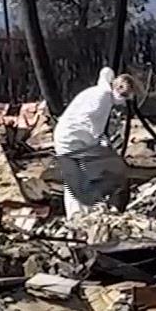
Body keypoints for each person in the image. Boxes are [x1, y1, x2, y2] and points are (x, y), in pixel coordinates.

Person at [53, 66, 139, 218]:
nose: (123, 101)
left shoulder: (99, 93)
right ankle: (78, 215)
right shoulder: (103, 96)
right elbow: (91, 124)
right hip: (72, 138)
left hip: (73, 137)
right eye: (125, 95)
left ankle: (83, 212)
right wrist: (100, 144)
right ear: (118, 88)